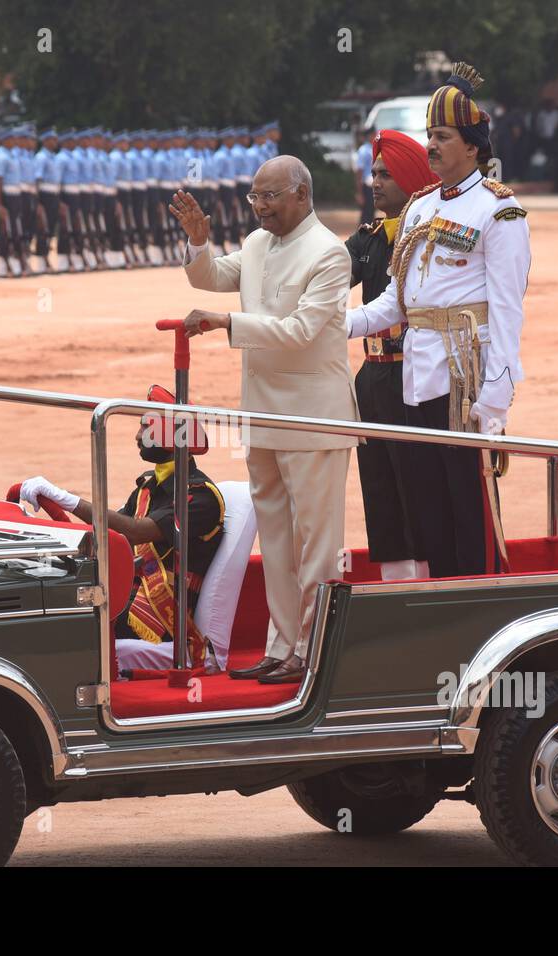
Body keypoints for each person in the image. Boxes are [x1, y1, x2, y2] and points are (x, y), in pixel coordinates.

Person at [171, 154, 357, 685]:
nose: (260, 207)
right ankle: (282, 645)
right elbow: (210, 277)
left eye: (270, 197)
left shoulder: (329, 253)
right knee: (275, 539)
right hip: (262, 414)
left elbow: (300, 331)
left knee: (315, 542)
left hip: (313, 419)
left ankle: (313, 649)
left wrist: (227, 321)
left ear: (302, 194)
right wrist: (198, 242)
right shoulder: (256, 244)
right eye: (255, 197)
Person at [346, 62, 530, 579]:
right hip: (417, 375)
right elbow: (396, 303)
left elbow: (508, 309)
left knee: (469, 507)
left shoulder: (499, 211)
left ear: (472, 147)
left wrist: (497, 394)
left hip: (466, 379)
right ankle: (444, 605)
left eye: (443, 136)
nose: (431, 145)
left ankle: (480, 606)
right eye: (430, 134)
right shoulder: (420, 208)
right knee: (428, 509)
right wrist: (337, 324)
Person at [17, 386, 225, 675]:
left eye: (145, 428)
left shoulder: (201, 496)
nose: (137, 436)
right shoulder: (149, 486)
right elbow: (112, 535)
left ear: (170, 435)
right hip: (129, 595)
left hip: (163, 617)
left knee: (62, 625)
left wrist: (67, 499)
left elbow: (136, 531)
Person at [344, 129, 438, 581]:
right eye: (374, 173)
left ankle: (430, 584)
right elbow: (322, 276)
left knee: (418, 487)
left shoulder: (428, 239)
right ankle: (395, 586)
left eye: (386, 174)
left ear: (412, 179)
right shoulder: (368, 239)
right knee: (379, 487)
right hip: (373, 375)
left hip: (414, 375)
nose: (375, 182)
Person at [354, 127, 374, 225]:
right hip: (366, 186)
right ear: (369, 136)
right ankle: (363, 232)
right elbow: (359, 172)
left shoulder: (372, 148)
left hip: (373, 185)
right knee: (366, 214)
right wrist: (359, 193)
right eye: (373, 134)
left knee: (371, 213)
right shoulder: (364, 150)